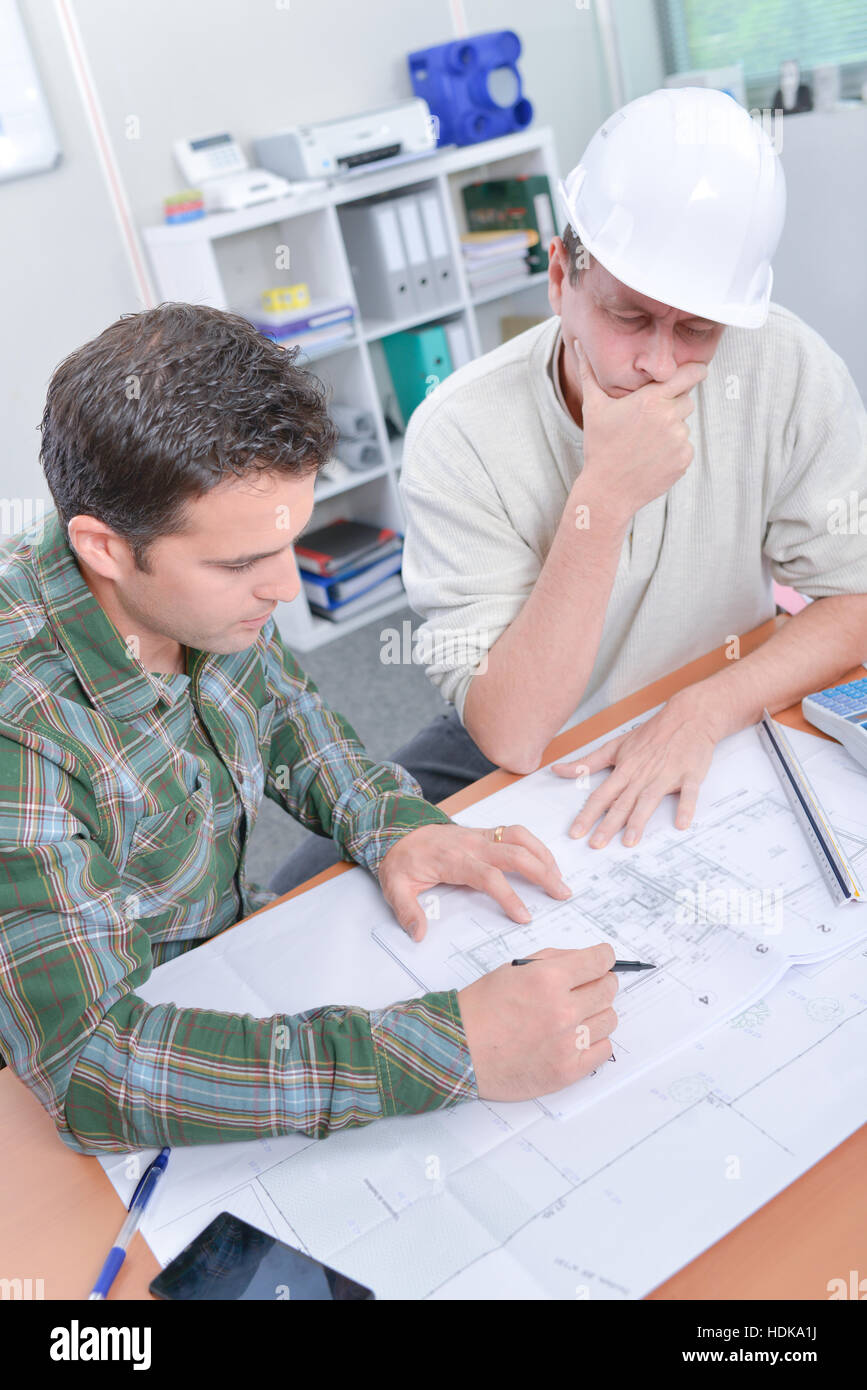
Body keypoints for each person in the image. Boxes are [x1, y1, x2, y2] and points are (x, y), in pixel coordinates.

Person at [0, 302, 616, 1153]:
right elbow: (93, 1069)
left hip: (225, 963)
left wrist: (390, 824)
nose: (286, 588)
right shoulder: (19, 735)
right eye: (245, 562)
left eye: (290, 541)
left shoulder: (200, 584)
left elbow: (287, 719)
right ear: (103, 547)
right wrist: (451, 1049)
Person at [271, 84, 867, 893]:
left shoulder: (785, 365)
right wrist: (602, 501)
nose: (658, 362)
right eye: (628, 318)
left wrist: (705, 707)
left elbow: (853, 596)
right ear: (560, 277)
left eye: (695, 329)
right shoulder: (458, 431)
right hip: (525, 704)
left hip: (716, 677)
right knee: (304, 889)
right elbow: (510, 733)